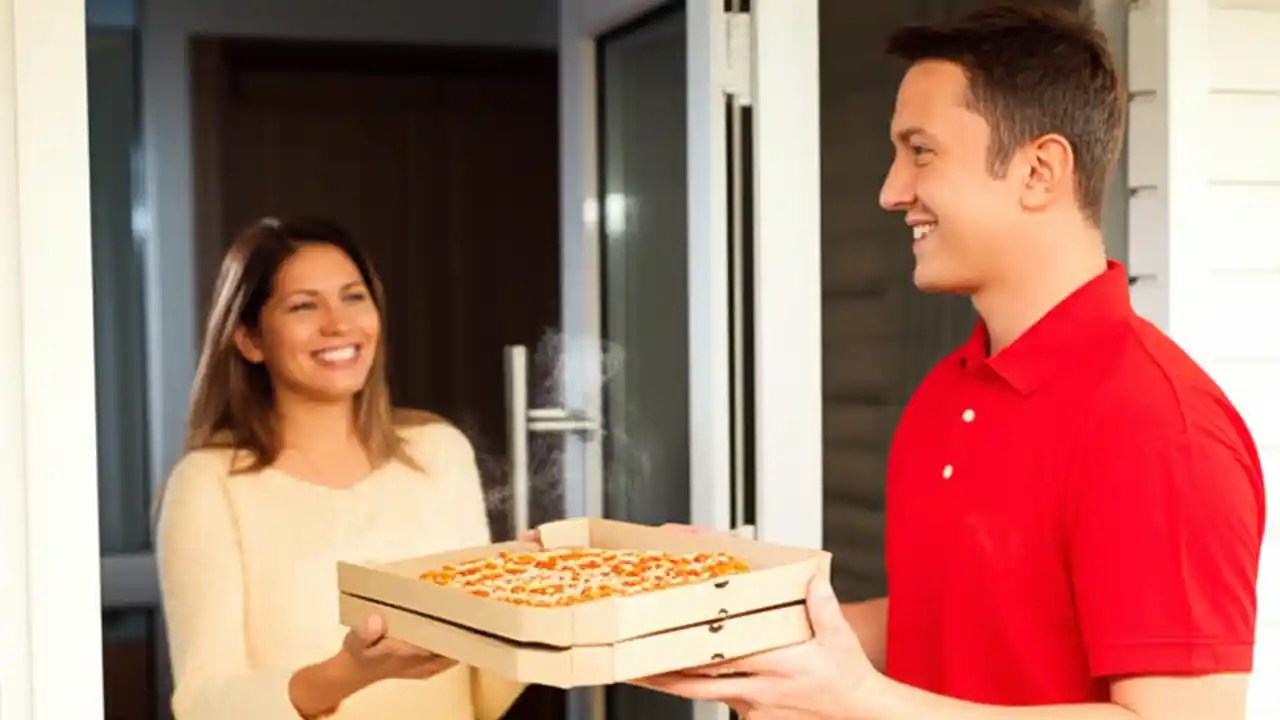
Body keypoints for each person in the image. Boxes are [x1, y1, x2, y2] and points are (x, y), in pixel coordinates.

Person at [639, 4, 1265, 719]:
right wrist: (729, 608)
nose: (891, 190)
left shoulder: (1159, 429)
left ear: (1039, 170)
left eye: (921, 151)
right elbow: (939, 629)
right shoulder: (948, 392)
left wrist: (859, 703)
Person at [156, 216, 525, 719]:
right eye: (303, 305)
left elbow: (481, 696)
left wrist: (535, 613)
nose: (339, 323)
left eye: (353, 297)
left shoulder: (440, 453)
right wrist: (349, 673)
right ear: (250, 339)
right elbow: (205, 704)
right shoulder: (209, 486)